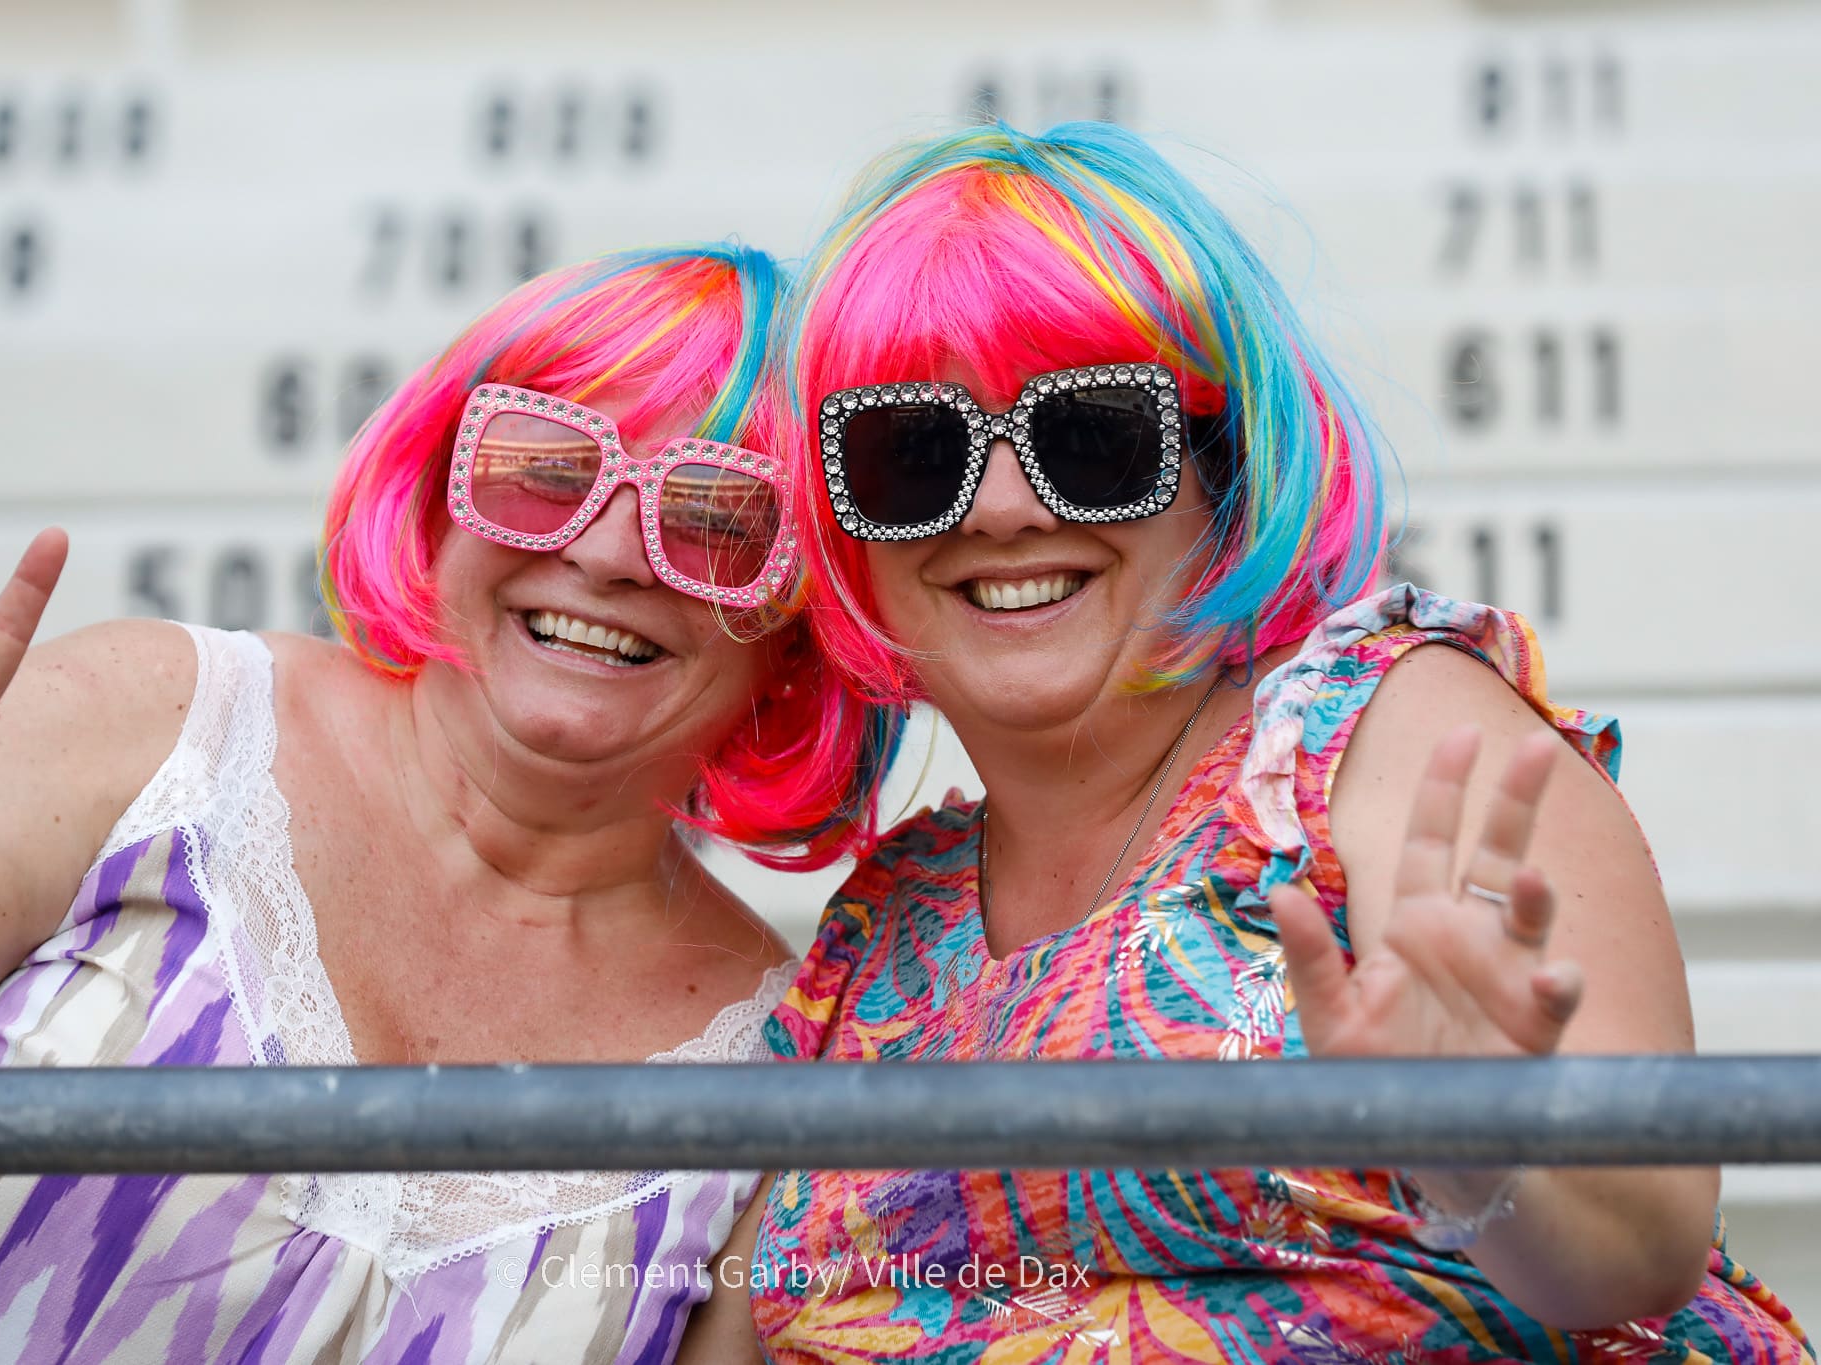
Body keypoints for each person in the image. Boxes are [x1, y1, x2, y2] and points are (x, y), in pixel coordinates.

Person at [711, 124, 1813, 1361]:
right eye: (911, 454)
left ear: (1223, 474)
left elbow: (1639, 1246)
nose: (1002, 506)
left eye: (1092, 438)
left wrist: (1478, 1151)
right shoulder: (882, 927)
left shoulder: (1387, 736)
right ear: (841, 527)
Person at [0, 243, 893, 1363]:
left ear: (804, 633)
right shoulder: (156, 719)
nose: (606, 554)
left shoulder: (779, 1077)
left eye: (715, 518)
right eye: (545, 468)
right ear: (438, 496)